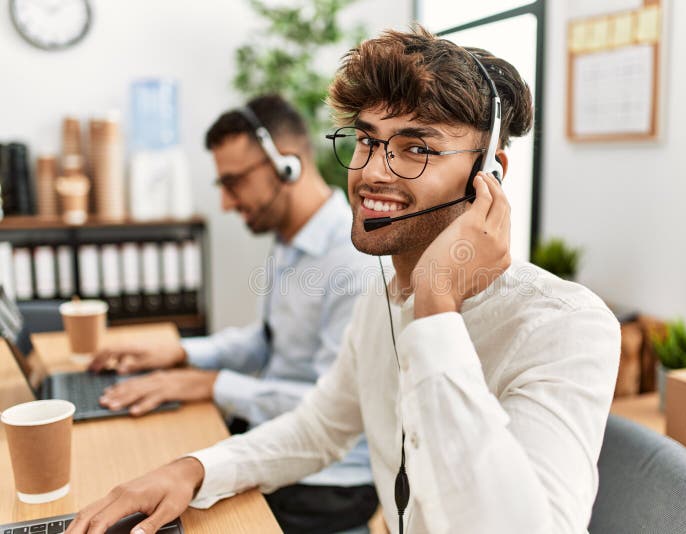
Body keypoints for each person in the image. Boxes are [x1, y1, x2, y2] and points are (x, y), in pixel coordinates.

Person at [68, 27, 620, 534]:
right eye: (367, 141)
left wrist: (436, 303)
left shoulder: (565, 327)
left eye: (416, 148)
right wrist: (193, 470)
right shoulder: (384, 298)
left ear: (488, 174)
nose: (372, 171)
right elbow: (318, 428)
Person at [85, 94, 378, 533]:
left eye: (233, 182)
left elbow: (333, 412)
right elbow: (267, 340)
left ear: (288, 164)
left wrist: (211, 383)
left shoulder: (356, 262)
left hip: (328, 478)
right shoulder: (289, 240)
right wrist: (180, 353)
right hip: (273, 439)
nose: (225, 202)